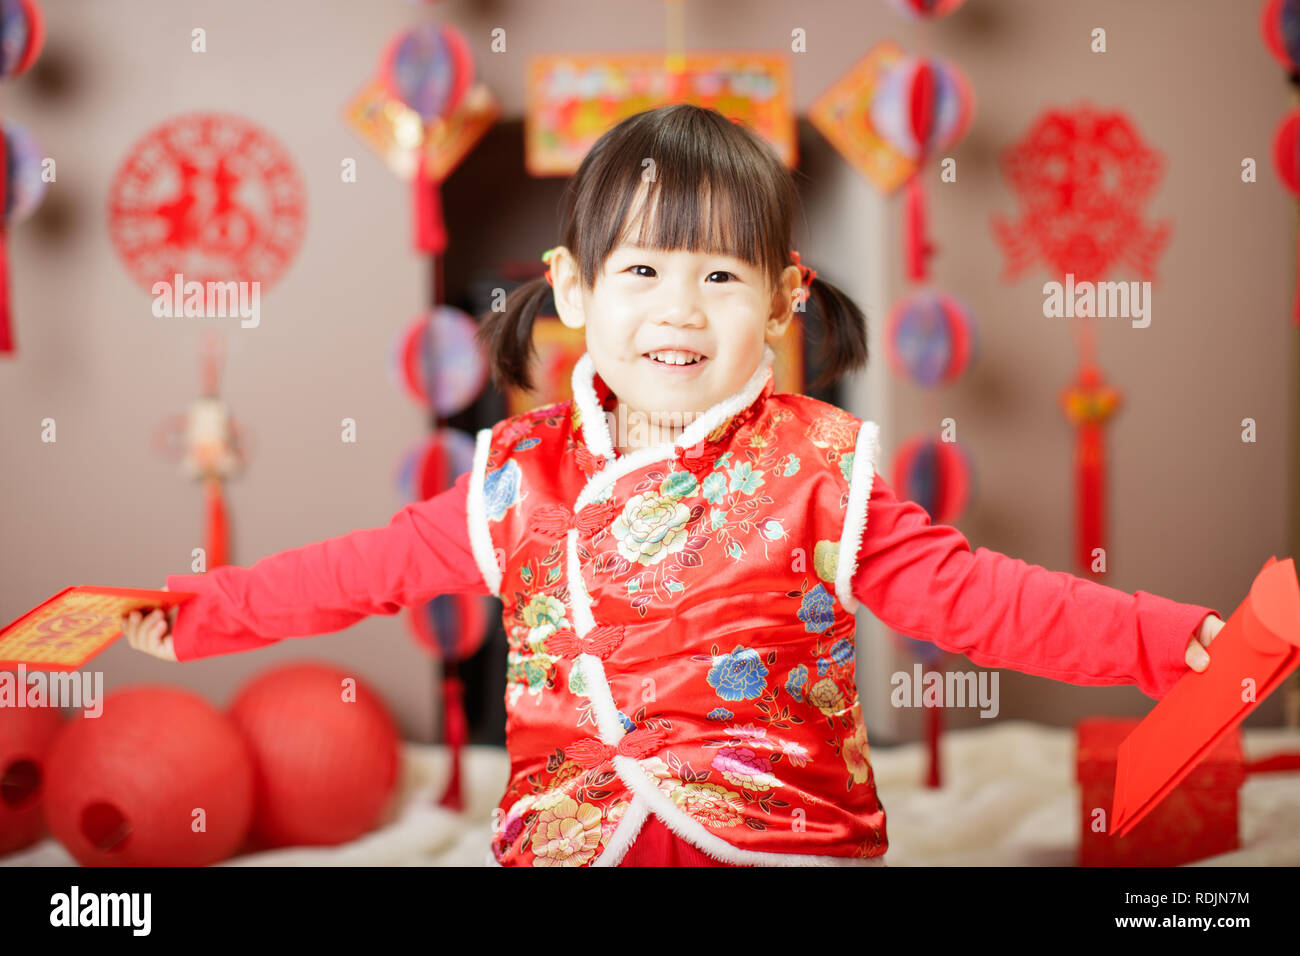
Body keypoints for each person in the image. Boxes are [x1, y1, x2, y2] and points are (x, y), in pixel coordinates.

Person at [123, 104, 1224, 867]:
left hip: (778, 828)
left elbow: (983, 599)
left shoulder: (821, 467)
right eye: (642, 269)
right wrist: (204, 611)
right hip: (574, 831)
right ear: (571, 288)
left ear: (783, 300)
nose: (678, 309)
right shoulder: (517, 471)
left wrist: (1170, 641)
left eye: (721, 275)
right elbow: (361, 570)